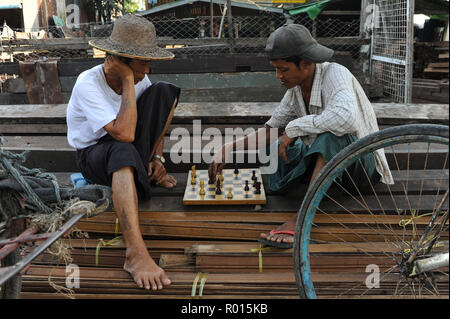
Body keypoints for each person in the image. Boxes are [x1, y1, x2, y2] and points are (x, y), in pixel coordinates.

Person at [208, 24, 393, 248]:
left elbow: (346, 120)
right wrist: (229, 148)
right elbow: (272, 129)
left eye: (283, 69)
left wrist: (295, 128)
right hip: (331, 163)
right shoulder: (295, 89)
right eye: (275, 69)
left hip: (362, 168)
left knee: (330, 137)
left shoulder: (335, 74)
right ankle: (317, 182)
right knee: (273, 148)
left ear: (306, 63)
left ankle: (303, 216)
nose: (278, 76)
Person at [67, 14, 180, 290]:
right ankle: (135, 254)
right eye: (143, 63)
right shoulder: (88, 83)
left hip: (127, 149)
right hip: (94, 155)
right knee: (122, 151)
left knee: (165, 92)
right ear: (121, 59)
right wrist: (128, 80)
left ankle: (145, 171)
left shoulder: (142, 79)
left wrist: (156, 157)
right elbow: (125, 135)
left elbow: (152, 118)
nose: (147, 71)